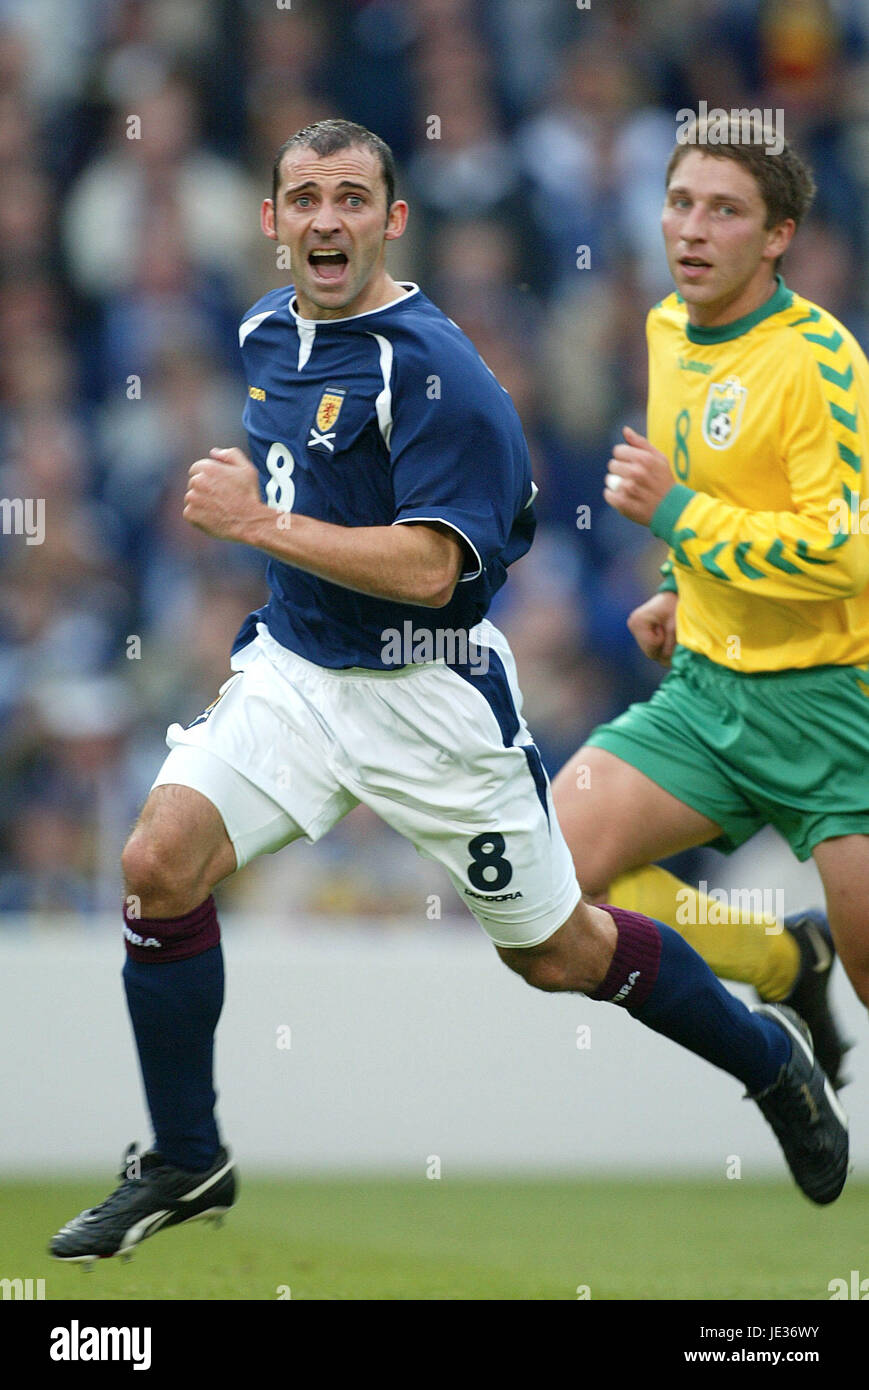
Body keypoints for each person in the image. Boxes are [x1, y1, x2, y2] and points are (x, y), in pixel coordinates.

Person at [50, 120, 848, 1264]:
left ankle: (765, 1058)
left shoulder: (434, 370)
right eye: (305, 198)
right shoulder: (265, 327)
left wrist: (257, 523)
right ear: (272, 222)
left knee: (556, 951)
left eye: (352, 198)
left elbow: (434, 570)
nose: (327, 219)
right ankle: (187, 1155)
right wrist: (275, 546)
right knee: (154, 861)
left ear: (392, 219)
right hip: (295, 672)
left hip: (430, 698)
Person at [552, 116, 869, 1095]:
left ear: (775, 237)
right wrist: (670, 587)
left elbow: (844, 553)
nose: (690, 229)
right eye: (679, 202)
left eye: (723, 210)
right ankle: (780, 962)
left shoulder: (820, 364)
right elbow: (724, 483)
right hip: (707, 689)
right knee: (545, 881)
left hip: (832, 707)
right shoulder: (663, 329)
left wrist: (677, 519)